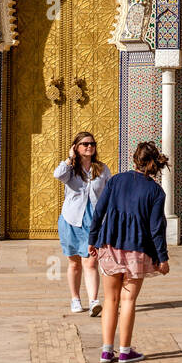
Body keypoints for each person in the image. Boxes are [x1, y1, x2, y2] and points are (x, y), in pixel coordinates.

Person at [88, 141, 170, 363]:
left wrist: (92, 239)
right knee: (129, 300)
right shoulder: (156, 191)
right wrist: (162, 258)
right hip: (138, 249)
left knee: (110, 299)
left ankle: (106, 351)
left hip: (111, 245)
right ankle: (125, 351)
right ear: (154, 164)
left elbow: (99, 211)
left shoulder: (116, 180)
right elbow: (156, 229)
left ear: (135, 159)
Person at [54, 132, 111, 316]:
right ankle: (75, 298)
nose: (89, 147)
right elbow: (57, 175)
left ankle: (94, 301)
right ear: (76, 147)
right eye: (85, 144)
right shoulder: (70, 169)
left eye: (92, 143)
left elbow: (110, 193)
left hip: (94, 221)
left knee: (91, 261)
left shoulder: (102, 169)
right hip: (71, 219)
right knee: (75, 264)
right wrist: (70, 158)